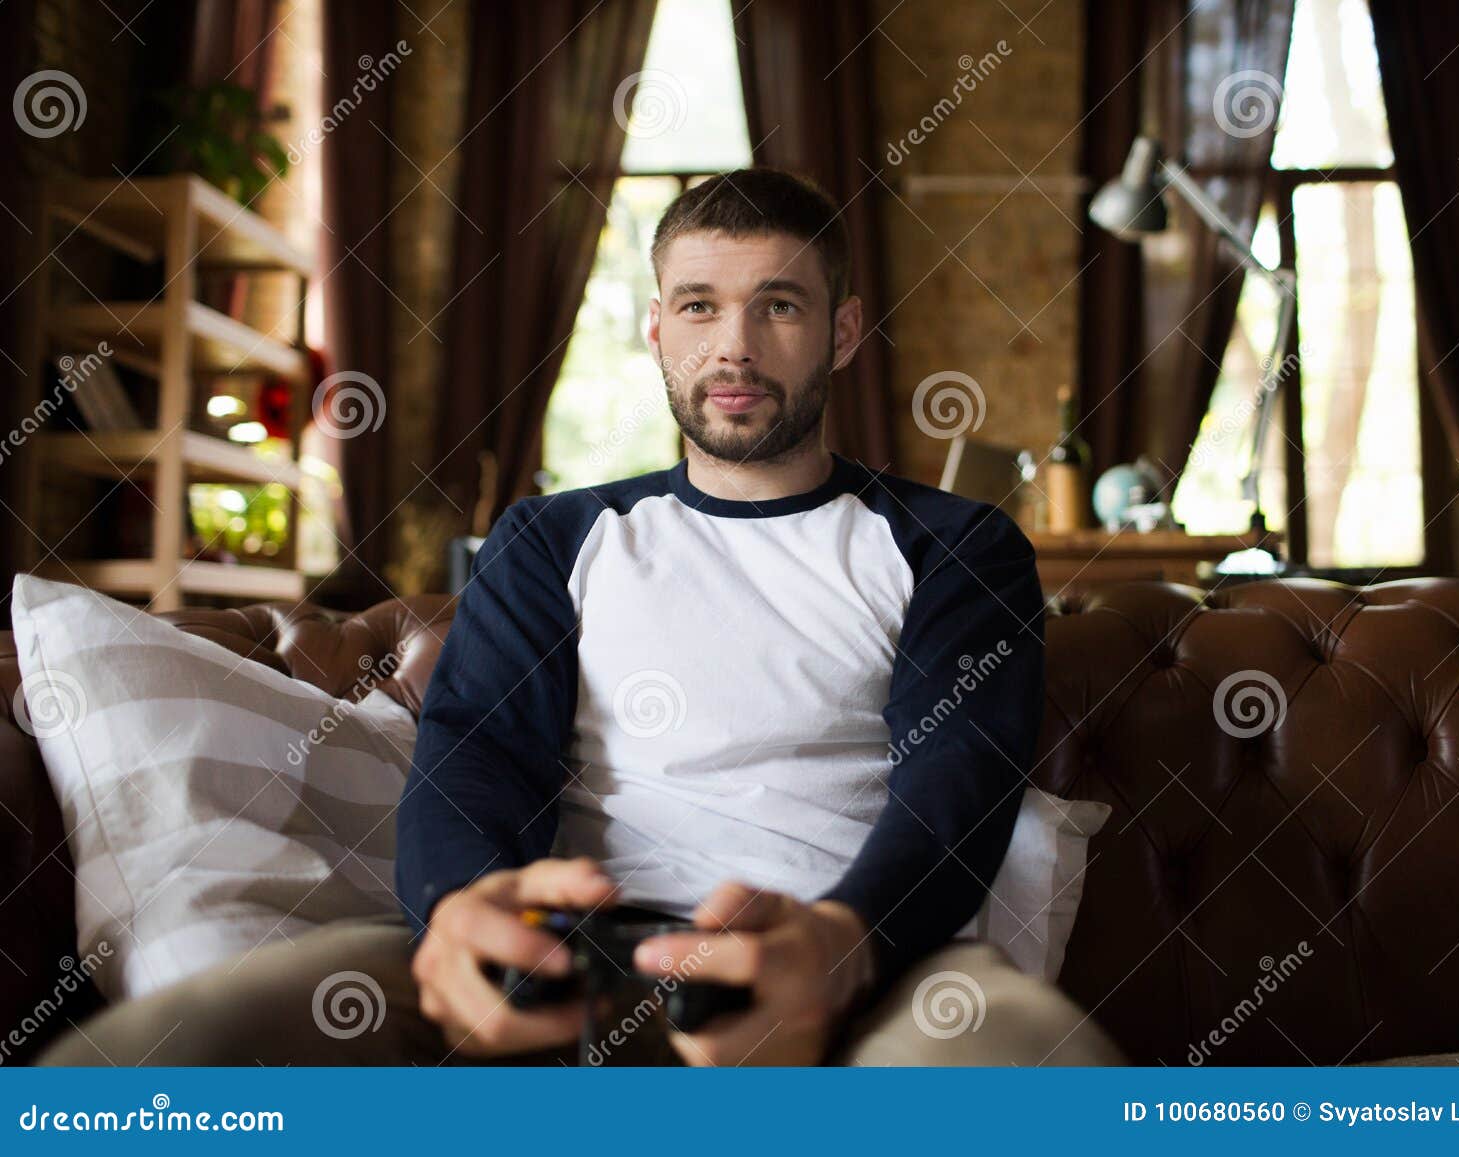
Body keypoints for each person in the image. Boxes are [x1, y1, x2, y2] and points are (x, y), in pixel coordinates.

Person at [41, 168, 1122, 1068]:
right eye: (698, 306)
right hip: (573, 958)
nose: (734, 346)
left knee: (1030, 1061)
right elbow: (477, 753)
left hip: (859, 965)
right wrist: (460, 914)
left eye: (779, 306)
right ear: (655, 329)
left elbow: (958, 786)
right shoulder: (553, 537)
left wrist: (841, 947)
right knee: (158, 1054)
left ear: (841, 332)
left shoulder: (955, 544)